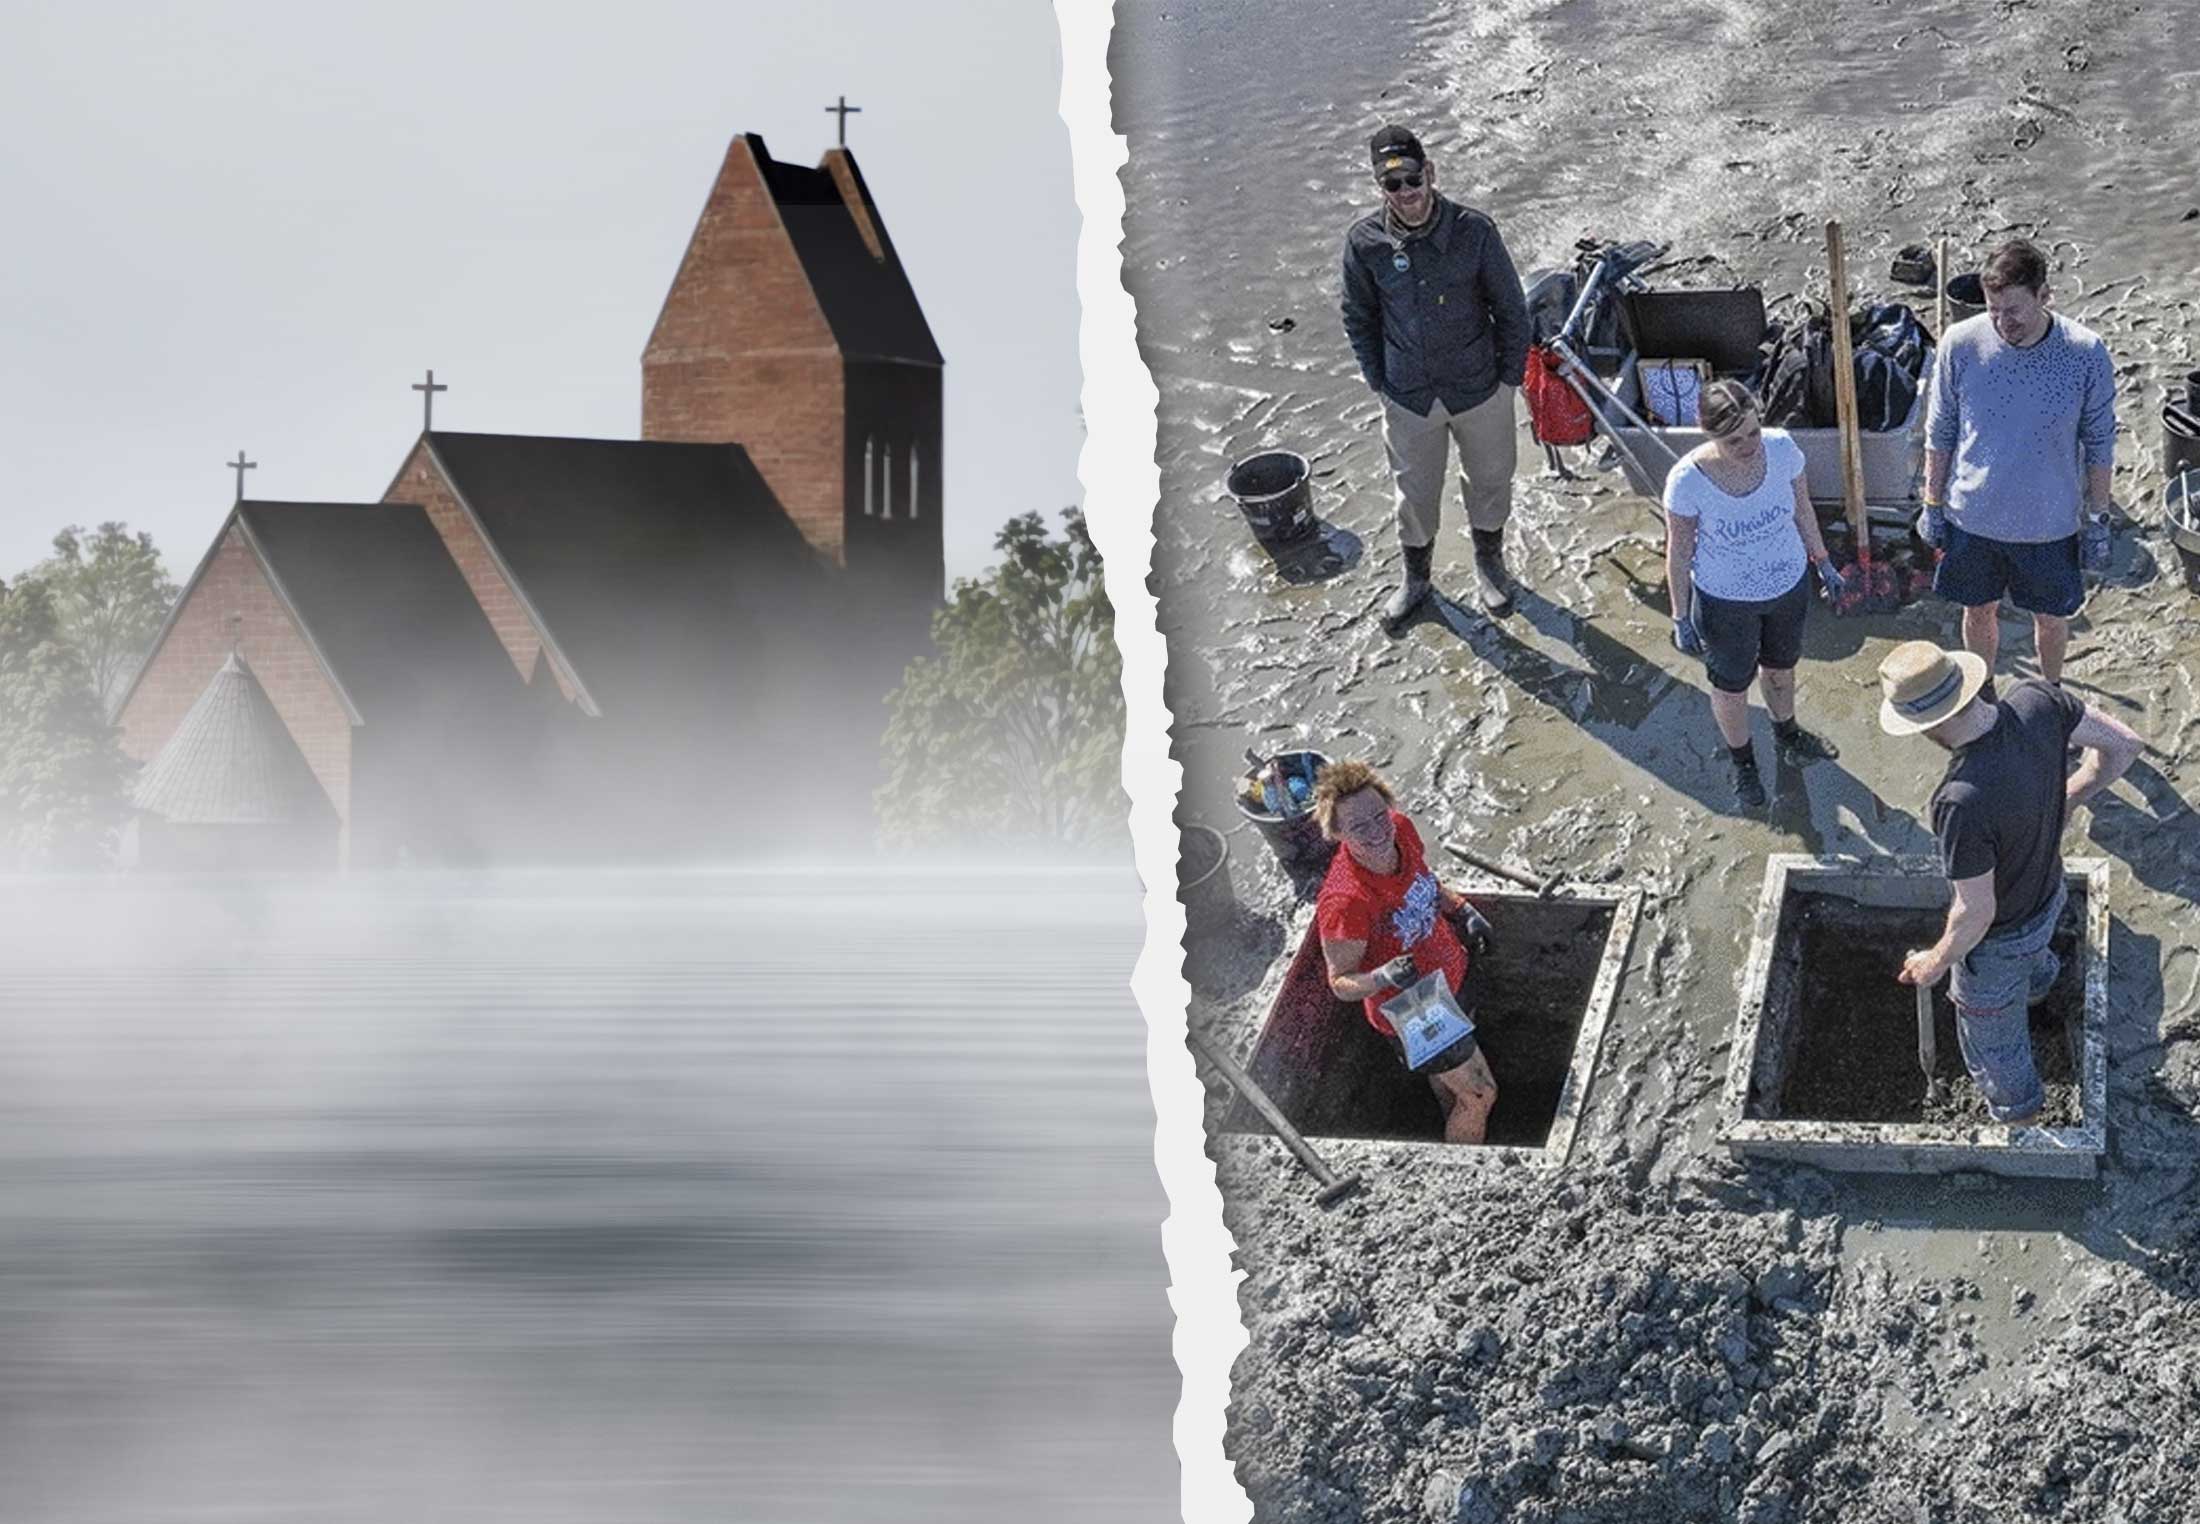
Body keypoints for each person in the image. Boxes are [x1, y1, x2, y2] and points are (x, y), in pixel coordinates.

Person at [1878, 640, 2141, 1124]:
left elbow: (1975, 913)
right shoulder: (2038, 699)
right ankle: (2041, 994)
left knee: (1993, 1045)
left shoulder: (1960, 801)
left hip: (1998, 942)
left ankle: (2019, 1116)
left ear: (1928, 724)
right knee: (2037, 960)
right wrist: (2070, 796)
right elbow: (2124, 744)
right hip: (2049, 892)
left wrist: (1935, 962)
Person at [1340, 124, 1531, 630]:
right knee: (1415, 495)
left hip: (1480, 390)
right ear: (1381, 188)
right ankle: (1416, 580)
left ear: (1431, 172)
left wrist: (1508, 383)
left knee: (1490, 482)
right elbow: (1357, 317)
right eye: (1392, 186)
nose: (1406, 194)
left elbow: (1513, 312)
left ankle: (1490, 563)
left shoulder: (1476, 231)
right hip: (1408, 397)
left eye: (1412, 180)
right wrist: (1379, 383)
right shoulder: (1364, 243)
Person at [1919, 238, 2118, 685]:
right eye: (1992, 310)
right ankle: (1983, 691)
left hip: (2048, 524)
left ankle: (2050, 694)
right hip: (1973, 518)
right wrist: (1933, 503)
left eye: (2013, 311)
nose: (2001, 322)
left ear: (2044, 295)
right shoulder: (1960, 343)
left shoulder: (2085, 353)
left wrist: (2099, 517)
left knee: (2050, 619)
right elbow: (1942, 429)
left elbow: (2101, 440)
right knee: (1978, 610)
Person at [1664, 379, 1846, 807]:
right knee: (1730, 687)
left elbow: (1803, 508)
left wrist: (1823, 562)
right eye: (1733, 439)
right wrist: (1679, 613)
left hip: (1786, 586)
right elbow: (1678, 552)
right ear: (1708, 434)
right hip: (1725, 601)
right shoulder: (1687, 481)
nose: (1748, 445)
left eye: (1752, 432)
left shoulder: (1782, 449)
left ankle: (1788, 733)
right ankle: (1743, 763)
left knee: (1781, 669)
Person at [1310, 759, 1500, 1144]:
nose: (1376, 831)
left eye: (1379, 815)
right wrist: (1383, 976)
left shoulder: (1400, 830)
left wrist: (1460, 908)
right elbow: (1340, 983)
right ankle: (1464, 1167)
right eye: (1358, 826)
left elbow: (1423, 879)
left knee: (1453, 1085)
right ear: (1337, 832)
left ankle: (1455, 1122)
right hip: (1415, 1005)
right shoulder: (1346, 900)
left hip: (1451, 968)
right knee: (1480, 1093)